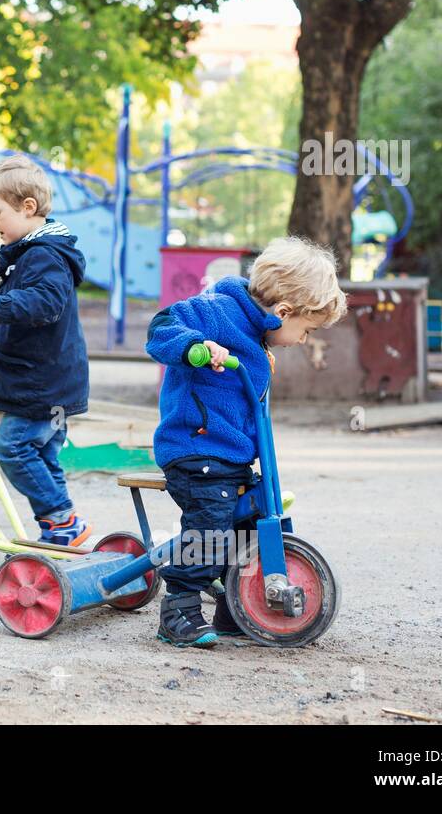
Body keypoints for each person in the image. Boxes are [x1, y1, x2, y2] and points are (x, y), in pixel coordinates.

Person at [145, 236, 348, 647]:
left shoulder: (257, 336)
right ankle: (178, 607)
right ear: (283, 312)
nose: (304, 339)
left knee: (250, 524)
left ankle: (236, 606)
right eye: (305, 330)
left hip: (230, 456)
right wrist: (195, 347)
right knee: (211, 529)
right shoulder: (217, 312)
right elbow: (160, 327)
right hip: (194, 450)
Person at [0, 154, 91, 547]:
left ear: (27, 207)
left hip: (44, 385)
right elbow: (29, 316)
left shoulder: (44, 255)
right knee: (43, 456)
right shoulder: (33, 253)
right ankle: (61, 531)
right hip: (48, 382)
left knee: (12, 448)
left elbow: (44, 304)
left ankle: (63, 520)